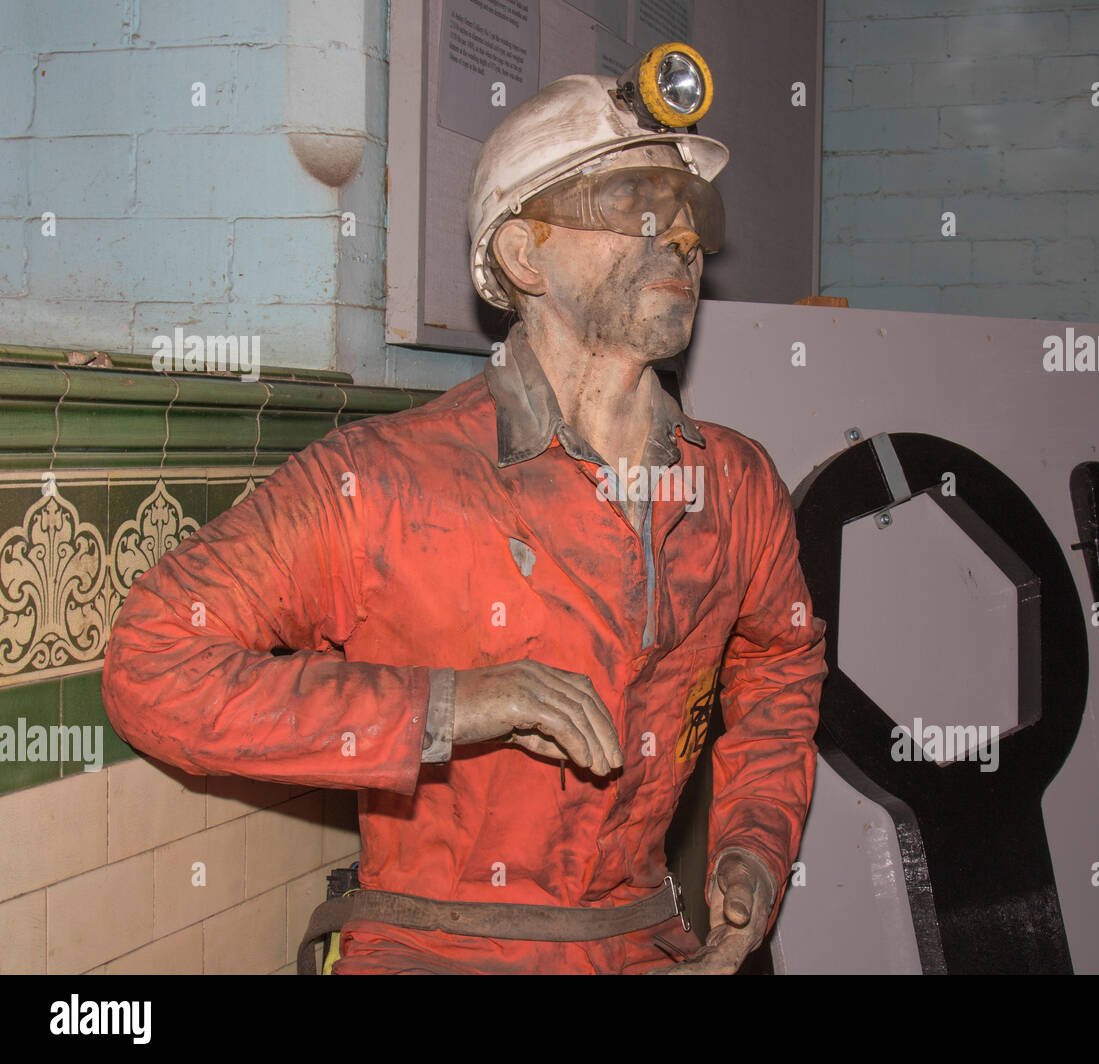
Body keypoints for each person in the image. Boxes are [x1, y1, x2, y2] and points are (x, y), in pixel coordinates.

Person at [102, 60, 827, 975]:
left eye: (689, 214)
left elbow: (779, 661)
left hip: (645, 943)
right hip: (431, 948)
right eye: (635, 204)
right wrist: (452, 704)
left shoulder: (736, 486)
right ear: (526, 256)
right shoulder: (384, 484)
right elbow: (151, 664)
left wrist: (752, 847)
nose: (679, 235)